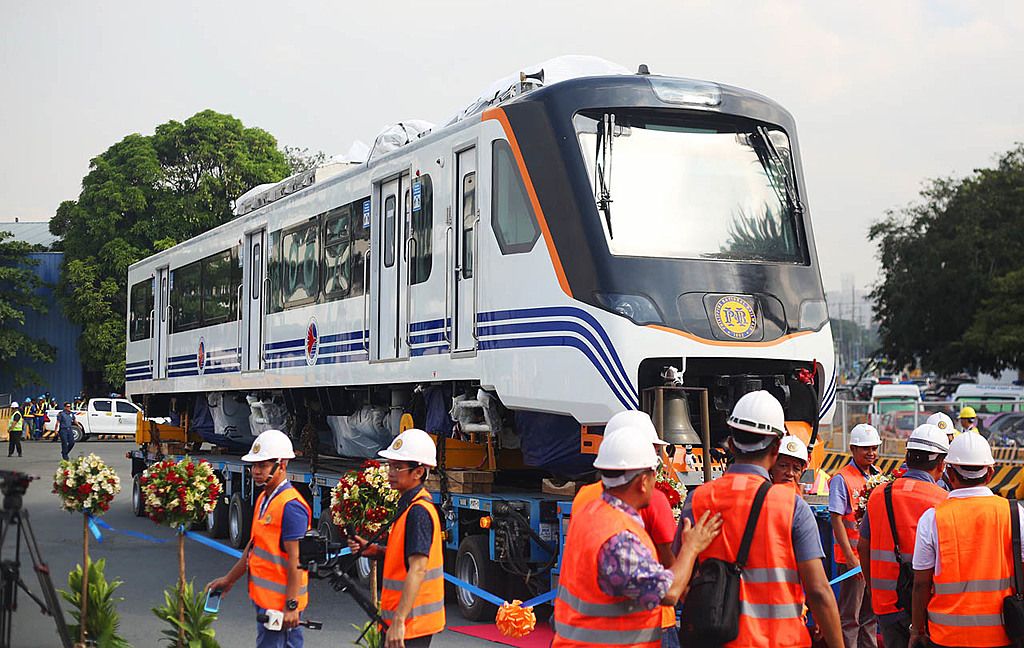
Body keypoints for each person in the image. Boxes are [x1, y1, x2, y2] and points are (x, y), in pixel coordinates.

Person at [676, 391, 843, 647]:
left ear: (731, 444)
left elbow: (678, 578)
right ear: (777, 448)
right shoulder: (791, 506)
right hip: (780, 641)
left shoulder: (697, 500)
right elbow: (819, 591)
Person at [554, 429, 723, 647]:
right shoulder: (618, 538)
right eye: (654, 474)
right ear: (643, 482)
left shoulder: (590, 512)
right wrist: (691, 547)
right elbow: (668, 593)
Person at [569, 410, 682, 647]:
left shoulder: (584, 497)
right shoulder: (654, 500)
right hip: (648, 622)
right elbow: (670, 569)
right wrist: (693, 548)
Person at [910, 432, 1021, 648]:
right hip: (1004, 636)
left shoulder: (932, 518)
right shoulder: (1015, 513)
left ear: (949, 472)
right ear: (990, 473)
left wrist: (918, 630)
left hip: (946, 637)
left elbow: (921, 583)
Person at [207, 429, 311, 648]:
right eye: (254, 465)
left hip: (280, 605)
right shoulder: (265, 498)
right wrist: (230, 578)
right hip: (266, 602)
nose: (255, 471)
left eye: (262, 465)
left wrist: (291, 605)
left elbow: (296, 561)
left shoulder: (291, 506)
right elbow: (254, 547)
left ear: (281, 465)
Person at [347, 429, 445, 648]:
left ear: (418, 472)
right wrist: (376, 551)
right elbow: (405, 558)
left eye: (397, 467)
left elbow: (418, 568)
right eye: (389, 465)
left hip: (410, 625)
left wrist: (399, 621)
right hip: (405, 622)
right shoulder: (410, 506)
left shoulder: (418, 511)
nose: (390, 472)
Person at [857, 424, 948, 648]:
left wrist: (871, 587)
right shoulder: (943, 501)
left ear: (907, 458)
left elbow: (862, 546)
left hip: (885, 604)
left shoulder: (879, 494)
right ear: (941, 464)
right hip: (927, 604)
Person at [829, 422, 881, 648]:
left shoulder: (879, 476)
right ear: (853, 449)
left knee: (870, 615)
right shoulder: (842, 478)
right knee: (851, 616)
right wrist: (850, 557)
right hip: (852, 560)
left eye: (874, 448)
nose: (871, 453)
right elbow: (836, 519)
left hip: (872, 559)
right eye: (865, 448)